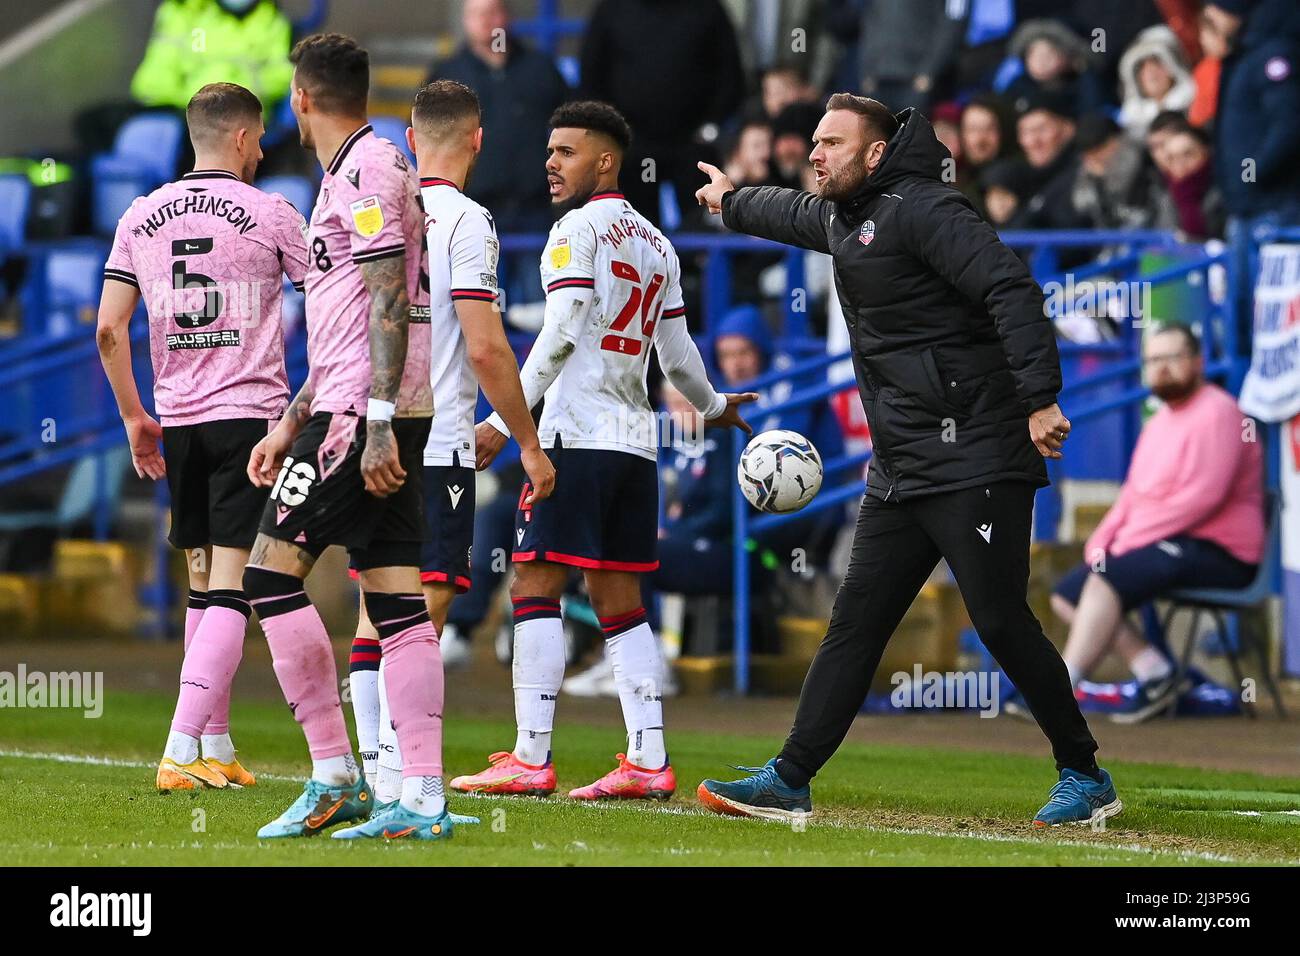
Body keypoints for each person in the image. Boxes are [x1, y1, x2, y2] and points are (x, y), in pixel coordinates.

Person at [694, 93, 1119, 827]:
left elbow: (1011, 288)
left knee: (999, 620)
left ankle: (1085, 775)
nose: (815, 154)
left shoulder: (927, 210)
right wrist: (731, 202)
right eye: (815, 142)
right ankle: (790, 777)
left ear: (877, 153)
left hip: (979, 454)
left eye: (832, 143)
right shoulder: (840, 213)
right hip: (902, 464)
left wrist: (1040, 398)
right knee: (855, 622)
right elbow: (788, 212)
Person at [455, 101, 756, 801]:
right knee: (620, 601)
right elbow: (676, 354)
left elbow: (558, 335)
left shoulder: (576, 230)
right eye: (550, 151)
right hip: (634, 445)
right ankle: (648, 761)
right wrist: (713, 408)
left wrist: (504, 422)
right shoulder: (657, 241)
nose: (551, 163)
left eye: (566, 151)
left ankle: (531, 757)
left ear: (606, 159)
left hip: (575, 438)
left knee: (532, 582)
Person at [238, 33, 449, 841]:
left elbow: (389, 300)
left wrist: (377, 424)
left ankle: (334, 774)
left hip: (366, 420)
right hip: (360, 410)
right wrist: (289, 420)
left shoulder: (364, 172)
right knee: (397, 602)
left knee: (267, 577)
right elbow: (346, 324)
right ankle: (422, 799)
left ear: (300, 97)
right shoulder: (363, 169)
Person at [344, 79, 557, 811]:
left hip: (370, 432)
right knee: (426, 604)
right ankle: (399, 773)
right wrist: (525, 440)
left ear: (410, 138)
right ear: (478, 140)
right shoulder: (467, 219)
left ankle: (370, 764)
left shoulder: (373, 208)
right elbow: (487, 344)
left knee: (376, 603)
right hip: (436, 444)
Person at [96, 82, 308, 793]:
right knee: (234, 590)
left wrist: (134, 416)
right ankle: (180, 747)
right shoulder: (272, 211)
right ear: (247, 140)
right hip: (250, 422)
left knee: (200, 589)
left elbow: (106, 330)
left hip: (179, 421)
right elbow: (333, 294)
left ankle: (214, 741)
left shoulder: (139, 213)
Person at [1041, 323, 1263, 723]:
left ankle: (1058, 691)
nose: (1161, 368)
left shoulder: (1220, 412)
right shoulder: (1159, 422)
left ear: (1198, 362)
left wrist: (1123, 545)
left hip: (1222, 551)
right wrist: (1102, 542)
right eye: (1153, 359)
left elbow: (1201, 499)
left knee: (1106, 578)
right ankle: (1156, 672)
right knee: (1067, 594)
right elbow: (1133, 495)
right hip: (1167, 544)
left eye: (1172, 358)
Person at [579, 0, 746, 226]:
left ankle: (691, 262)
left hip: (692, 146)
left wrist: (710, 126)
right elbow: (591, 75)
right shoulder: (612, 9)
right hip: (634, 146)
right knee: (637, 231)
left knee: (699, 228)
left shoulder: (706, 8)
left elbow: (730, 73)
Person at [423, 0, 570, 232]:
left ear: (507, 16)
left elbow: (573, 126)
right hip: (469, 211)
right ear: (465, 20)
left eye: (491, 12)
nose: (485, 20)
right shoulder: (446, 74)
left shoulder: (540, 69)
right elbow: (426, 137)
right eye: (476, 14)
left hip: (536, 209)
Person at [131, 0, 293, 120]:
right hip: (181, 116)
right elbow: (156, 76)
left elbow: (279, 77)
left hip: (241, 120)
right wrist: (187, 108)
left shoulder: (273, 21)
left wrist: (238, 102)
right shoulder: (189, 13)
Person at [1117, 25, 1197, 140]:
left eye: (1157, 64)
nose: (1151, 72)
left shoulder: (1195, 103)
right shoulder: (1132, 130)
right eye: (1142, 69)